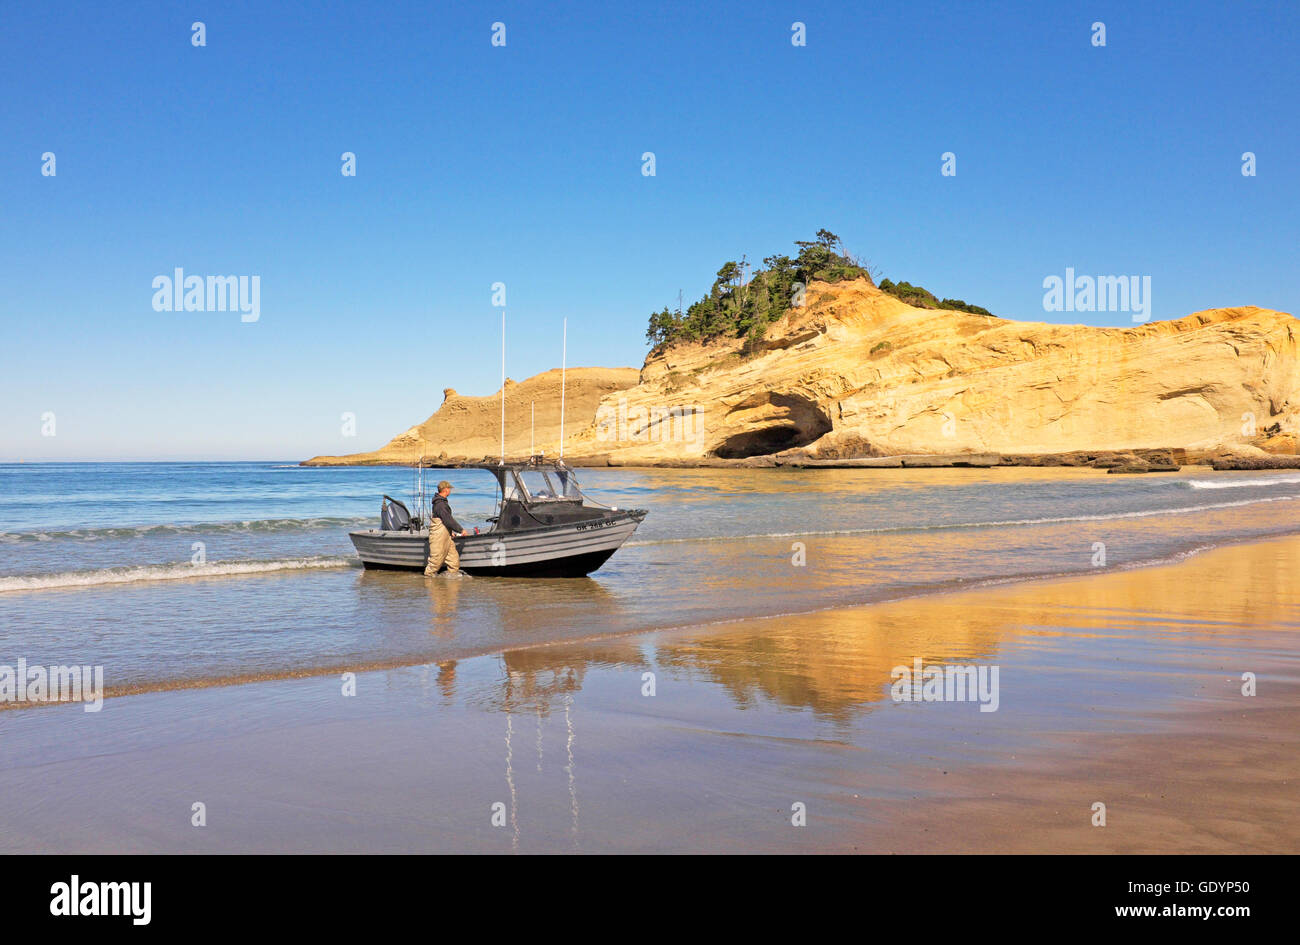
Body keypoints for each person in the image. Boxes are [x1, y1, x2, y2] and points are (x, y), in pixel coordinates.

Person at [425, 480, 470, 576]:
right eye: (449, 489)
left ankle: (450, 584)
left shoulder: (441, 502)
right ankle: (428, 581)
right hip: (438, 537)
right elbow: (448, 520)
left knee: (454, 561)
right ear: (445, 490)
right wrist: (461, 530)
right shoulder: (440, 505)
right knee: (435, 562)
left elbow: (445, 521)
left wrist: (449, 532)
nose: (450, 490)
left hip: (446, 536)